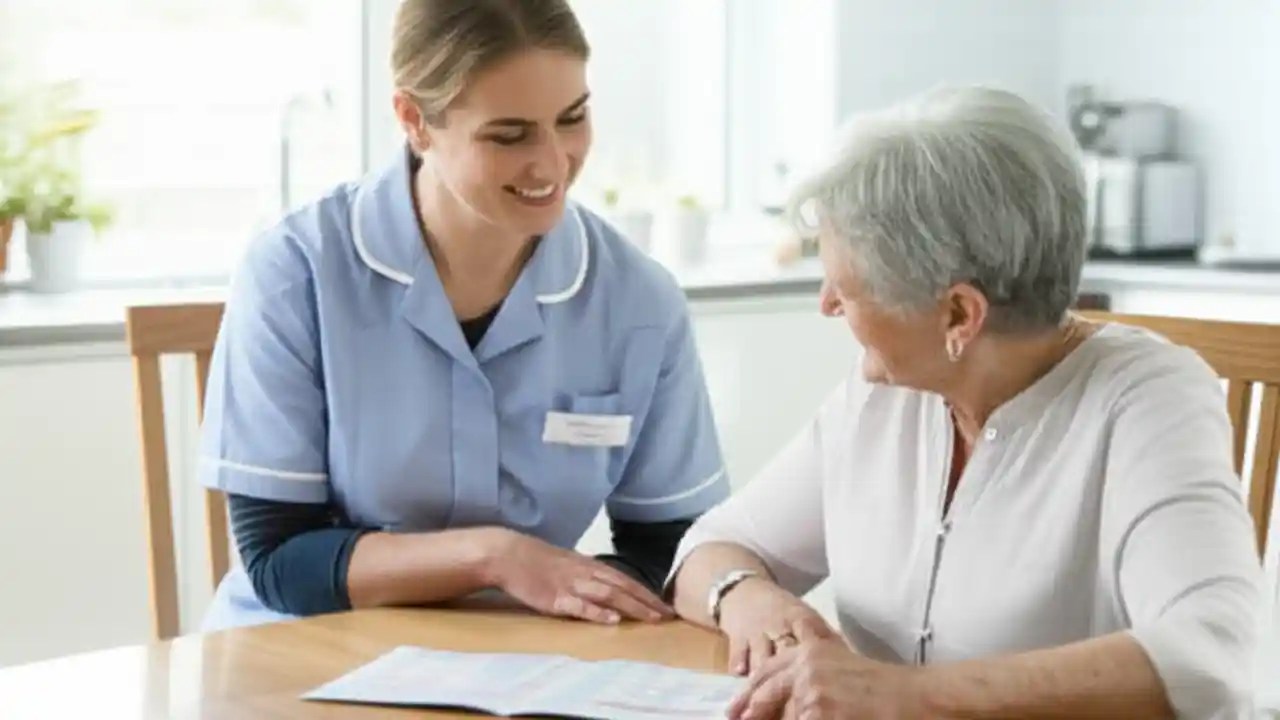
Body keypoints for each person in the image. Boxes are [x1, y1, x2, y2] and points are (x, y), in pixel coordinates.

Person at [669, 87, 1264, 719]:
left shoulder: (1147, 400)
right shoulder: (881, 396)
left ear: (959, 314)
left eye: (846, 286)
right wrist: (751, 598)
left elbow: (1211, 655)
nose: (827, 304)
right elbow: (712, 548)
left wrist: (908, 696)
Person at [198, 0, 729, 631]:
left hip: (525, 659)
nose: (552, 162)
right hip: (302, 650)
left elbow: (672, 545)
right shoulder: (295, 271)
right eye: (509, 135)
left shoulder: (639, 302)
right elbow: (280, 559)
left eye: (572, 118)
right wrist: (495, 558)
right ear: (415, 121)